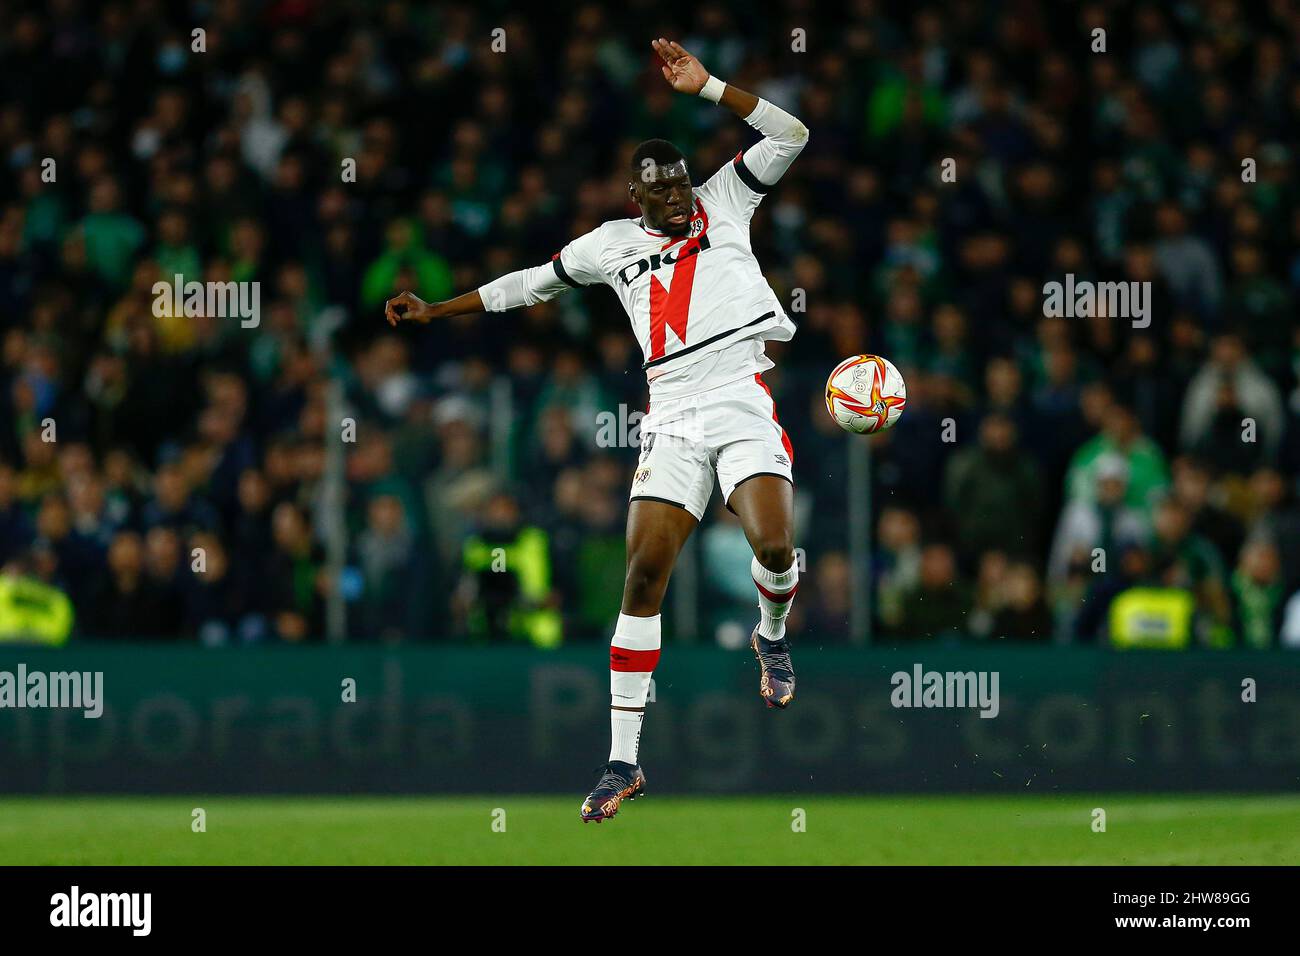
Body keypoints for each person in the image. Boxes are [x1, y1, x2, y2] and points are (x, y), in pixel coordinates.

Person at [386, 39, 808, 823]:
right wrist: (440, 310)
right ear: (635, 196)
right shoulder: (607, 246)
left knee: (775, 548)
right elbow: (528, 286)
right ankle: (622, 763)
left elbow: (791, 136)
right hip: (672, 410)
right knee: (642, 577)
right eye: (663, 189)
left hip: (740, 394)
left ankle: (771, 631)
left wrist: (709, 87)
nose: (680, 196)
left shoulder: (729, 198)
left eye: (683, 181)